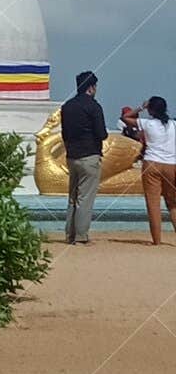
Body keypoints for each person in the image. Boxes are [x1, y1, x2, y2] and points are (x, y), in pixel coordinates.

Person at [60, 70, 107, 244]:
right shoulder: (94, 107)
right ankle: (81, 235)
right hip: (89, 155)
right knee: (85, 198)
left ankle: (69, 234)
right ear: (91, 87)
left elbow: (65, 133)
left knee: (73, 196)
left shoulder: (67, 106)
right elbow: (101, 133)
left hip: (72, 155)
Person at [137, 96, 176, 245]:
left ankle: (157, 240)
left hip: (152, 163)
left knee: (153, 204)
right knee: (173, 203)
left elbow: (126, 118)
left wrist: (141, 107)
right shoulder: (173, 124)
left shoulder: (148, 123)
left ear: (151, 109)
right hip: (171, 164)